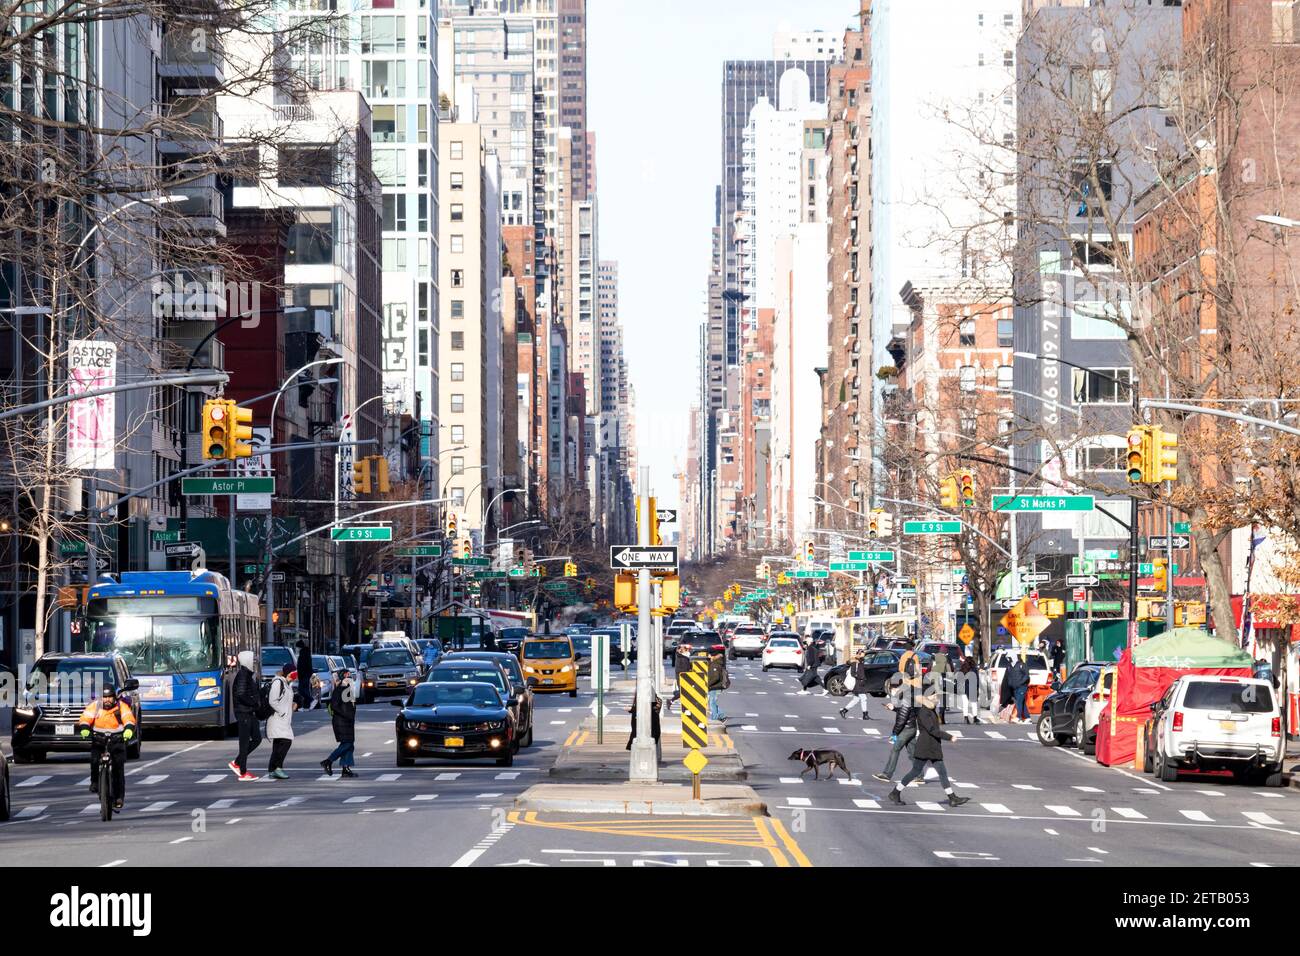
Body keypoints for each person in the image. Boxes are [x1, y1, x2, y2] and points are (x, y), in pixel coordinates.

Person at [888, 693, 969, 807]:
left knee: (942, 772)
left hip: (932, 746)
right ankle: (895, 792)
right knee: (915, 772)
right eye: (935, 696)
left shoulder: (930, 710)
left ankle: (952, 798)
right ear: (928, 698)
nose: (937, 699)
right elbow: (932, 730)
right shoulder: (924, 712)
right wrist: (949, 737)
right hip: (926, 747)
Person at [77, 684, 137, 811]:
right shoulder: (95, 706)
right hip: (99, 738)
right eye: (105, 697)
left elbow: (129, 719)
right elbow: (85, 718)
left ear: (115, 697)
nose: (107, 700)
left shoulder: (121, 706)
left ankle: (119, 797)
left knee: (118, 768)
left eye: (110, 697)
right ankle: (94, 782)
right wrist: (84, 728)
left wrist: (128, 730)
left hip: (117, 739)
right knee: (94, 759)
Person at [873, 682, 917, 782]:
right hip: (911, 727)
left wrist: (894, 733)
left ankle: (887, 774)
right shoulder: (906, 696)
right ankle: (919, 775)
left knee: (895, 750)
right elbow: (905, 712)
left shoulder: (905, 699)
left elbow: (902, 720)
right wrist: (894, 708)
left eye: (892, 690)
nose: (891, 692)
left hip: (906, 729)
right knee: (912, 752)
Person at [229, 650, 262, 781]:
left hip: (249, 712)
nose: (254, 662)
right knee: (244, 742)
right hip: (244, 713)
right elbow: (241, 694)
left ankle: (237, 762)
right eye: (252, 659)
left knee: (257, 738)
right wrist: (254, 703)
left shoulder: (247, 674)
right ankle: (242, 771)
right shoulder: (243, 675)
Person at [321, 668, 357, 778]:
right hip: (341, 721)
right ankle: (328, 761)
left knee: (349, 745)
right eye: (348, 675)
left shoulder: (348, 689)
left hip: (348, 721)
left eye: (350, 676)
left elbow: (351, 706)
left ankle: (345, 768)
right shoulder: (339, 690)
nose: (350, 677)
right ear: (343, 677)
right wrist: (347, 715)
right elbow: (335, 706)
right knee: (347, 744)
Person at [266, 662, 296, 779]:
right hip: (277, 718)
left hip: (283, 719)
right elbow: (272, 701)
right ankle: (277, 767)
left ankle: (272, 769)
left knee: (278, 744)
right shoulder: (278, 682)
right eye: (294, 673)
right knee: (286, 741)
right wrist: (283, 711)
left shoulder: (287, 684)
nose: (295, 676)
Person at [839, 648, 872, 720]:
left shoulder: (861, 661)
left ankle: (843, 710)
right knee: (864, 698)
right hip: (858, 683)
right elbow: (853, 673)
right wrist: (860, 678)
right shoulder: (855, 662)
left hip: (861, 682)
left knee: (856, 699)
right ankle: (865, 715)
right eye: (863, 654)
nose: (864, 656)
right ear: (859, 654)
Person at [667, 643, 693, 713]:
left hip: (683, 676)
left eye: (687, 649)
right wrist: (690, 670)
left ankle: (684, 708)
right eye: (686, 649)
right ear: (680, 650)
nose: (687, 650)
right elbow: (684, 669)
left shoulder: (683, 657)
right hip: (682, 677)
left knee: (684, 693)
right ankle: (672, 700)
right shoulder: (682, 657)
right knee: (684, 692)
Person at [1007, 652, 1031, 722]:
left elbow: (1026, 675)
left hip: (1022, 687)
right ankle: (1027, 717)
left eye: (1010, 658)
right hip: (1014, 687)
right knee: (1022, 702)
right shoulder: (1010, 666)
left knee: (1019, 701)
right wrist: (1010, 684)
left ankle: (1019, 717)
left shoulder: (1021, 665)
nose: (1009, 659)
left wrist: (1020, 683)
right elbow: (1009, 676)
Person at [958, 656, 981, 724]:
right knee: (974, 703)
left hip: (963, 688)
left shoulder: (962, 669)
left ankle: (965, 718)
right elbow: (977, 680)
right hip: (972, 688)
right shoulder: (974, 669)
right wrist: (977, 688)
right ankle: (975, 718)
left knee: (965, 704)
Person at [930, 648, 951, 722]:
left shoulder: (933, 659)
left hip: (934, 681)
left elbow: (929, 669)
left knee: (934, 698)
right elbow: (949, 671)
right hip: (943, 681)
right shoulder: (945, 659)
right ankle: (941, 715)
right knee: (943, 699)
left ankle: (934, 715)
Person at [706, 650, 728, 722]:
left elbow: (715, 677)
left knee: (712, 702)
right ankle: (721, 715)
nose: (708, 656)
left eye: (709, 655)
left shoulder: (715, 664)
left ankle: (715, 718)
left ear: (713, 656)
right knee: (712, 702)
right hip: (715, 686)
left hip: (715, 686)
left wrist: (708, 684)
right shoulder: (716, 663)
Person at [295, 640, 314, 709]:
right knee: (304, 689)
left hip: (304, 675)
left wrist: (302, 674)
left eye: (297, 647)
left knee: (302, 690)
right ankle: (306, 705)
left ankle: (311, 700)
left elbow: (302, 666)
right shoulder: (305, 653)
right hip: (305, 675)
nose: (296, 648)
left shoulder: (303, 654)